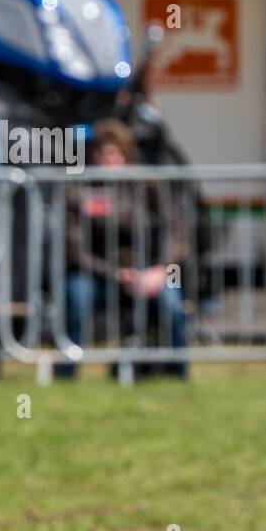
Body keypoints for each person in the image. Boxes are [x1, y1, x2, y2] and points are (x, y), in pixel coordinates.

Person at [56, 119, 190, 379]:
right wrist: (116, 274)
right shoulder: (77, 189)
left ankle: (178, 374)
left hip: (146, 272)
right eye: (101, 154)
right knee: (75, 296)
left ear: (126, 156)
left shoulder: (146, 185)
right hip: (96, 274)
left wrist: (160, 269)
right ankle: (66, 372)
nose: (107, 161)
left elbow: (176, 230)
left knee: (172, 302)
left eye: (113, 154)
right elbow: (73, 249)